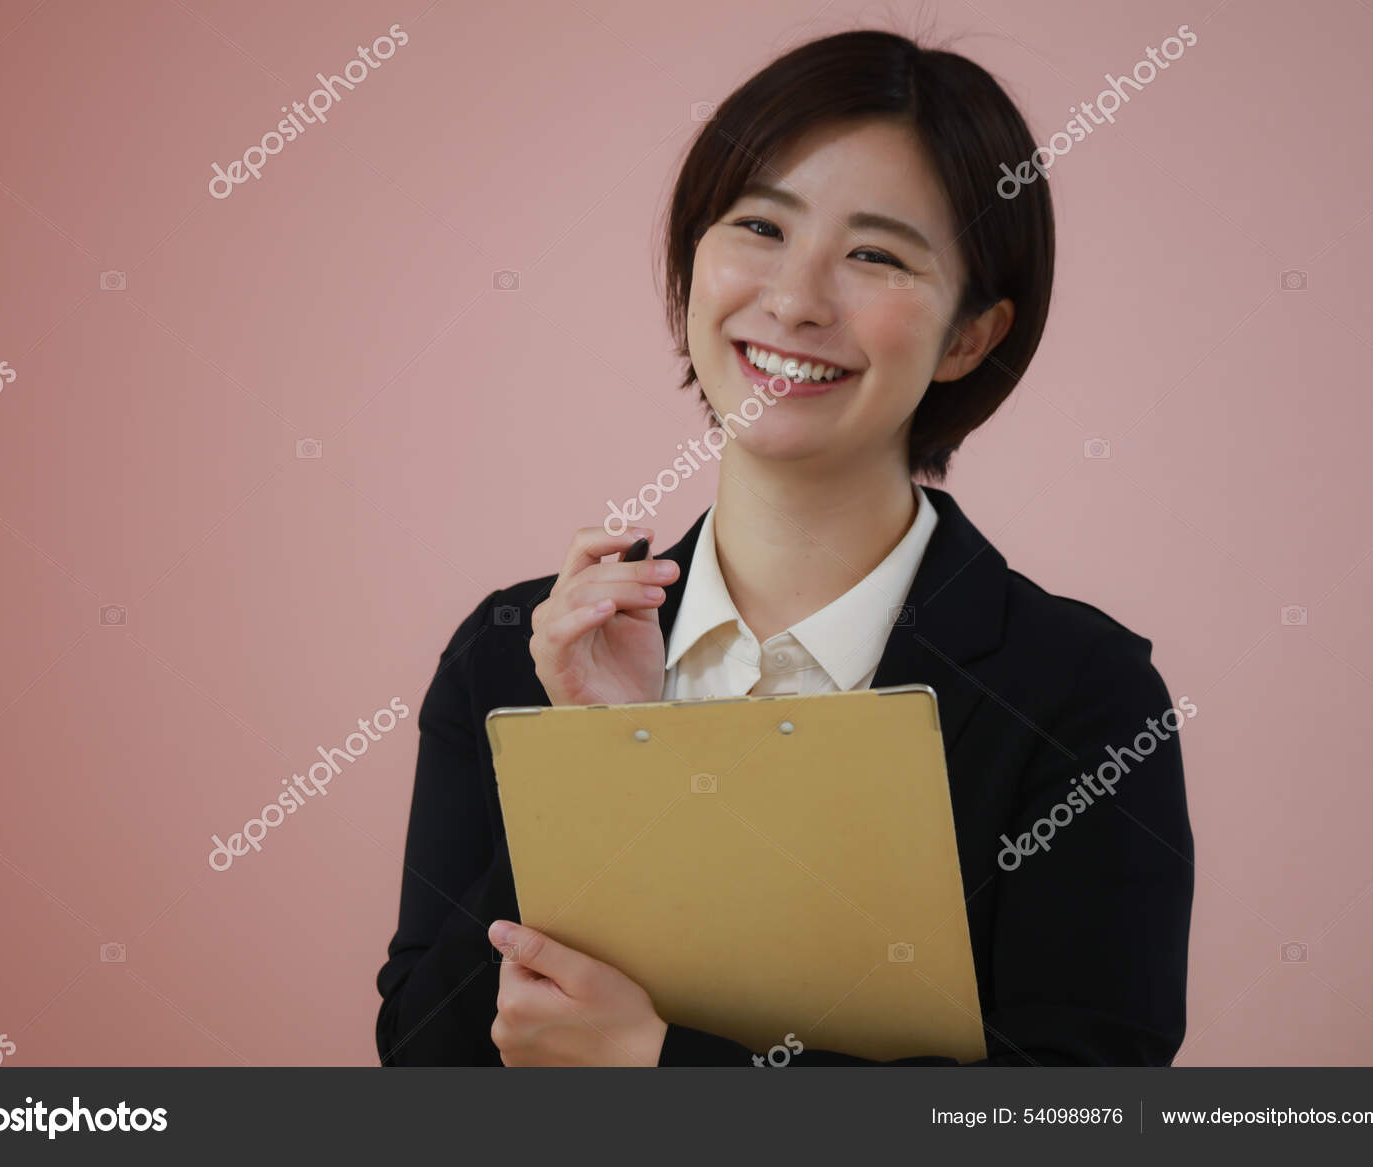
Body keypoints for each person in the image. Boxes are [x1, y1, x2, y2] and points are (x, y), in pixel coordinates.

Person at [375, 29, 1194, 1067]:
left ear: (968, 336)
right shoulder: (518, 649)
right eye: (760, 226)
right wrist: (599, 760)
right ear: (692, 259)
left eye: (875, 255)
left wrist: (660, 1067)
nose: (797, 300)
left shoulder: (1082, 695)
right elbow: (422, 1058)